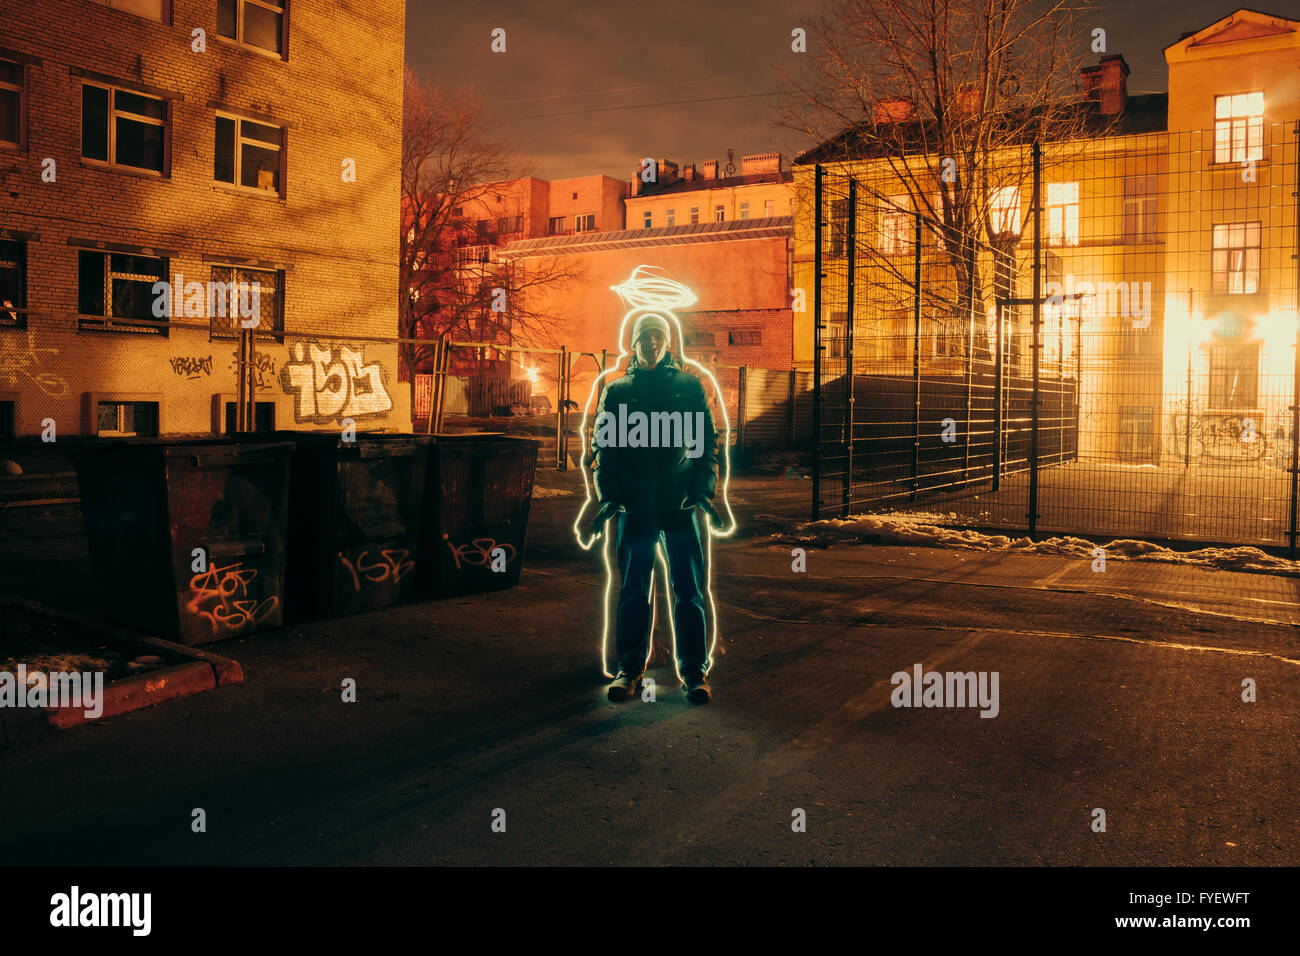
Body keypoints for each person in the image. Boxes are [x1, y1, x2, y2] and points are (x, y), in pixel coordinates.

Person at [581, 311, 722, 703]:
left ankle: (694, 673)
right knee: (633, 590)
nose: (652, 344)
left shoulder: (689, 387)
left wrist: (701, 492)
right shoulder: (618, 390)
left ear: (667, 343)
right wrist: (610, 495)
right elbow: (603, 449)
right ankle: (629, 669)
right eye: (645, 338)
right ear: (634, 342)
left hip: (678, 507)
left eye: (658, 337)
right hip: (636, 508)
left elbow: (705, 445)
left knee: (689, 591)